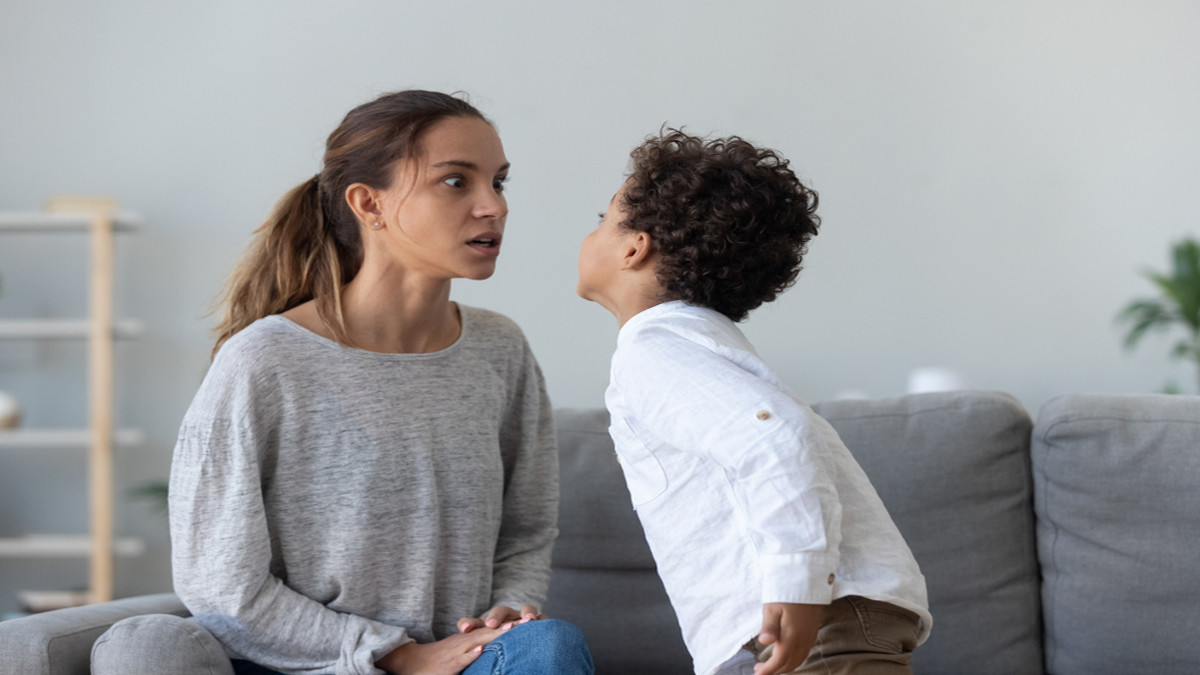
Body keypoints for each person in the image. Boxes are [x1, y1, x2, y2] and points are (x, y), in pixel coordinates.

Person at [98, 91, 594, 675]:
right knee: (147, 643)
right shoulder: (263, 361)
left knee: (547, 646)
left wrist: (508, 608)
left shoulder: (499, 349)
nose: (493, 206)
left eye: (499, 183)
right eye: (457, 182)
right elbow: (219, 583)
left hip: (459, 664)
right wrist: (395, 655)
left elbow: (528, 526)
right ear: (368, 203)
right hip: (303, 666)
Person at [576, 129, 931, 675]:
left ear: (634, 245)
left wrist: (798, 584)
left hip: (808, 623)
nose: (592, 229)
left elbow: (775, 435)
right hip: (813, 621)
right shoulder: (702, 345)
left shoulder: (653, 348)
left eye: (603, 217)